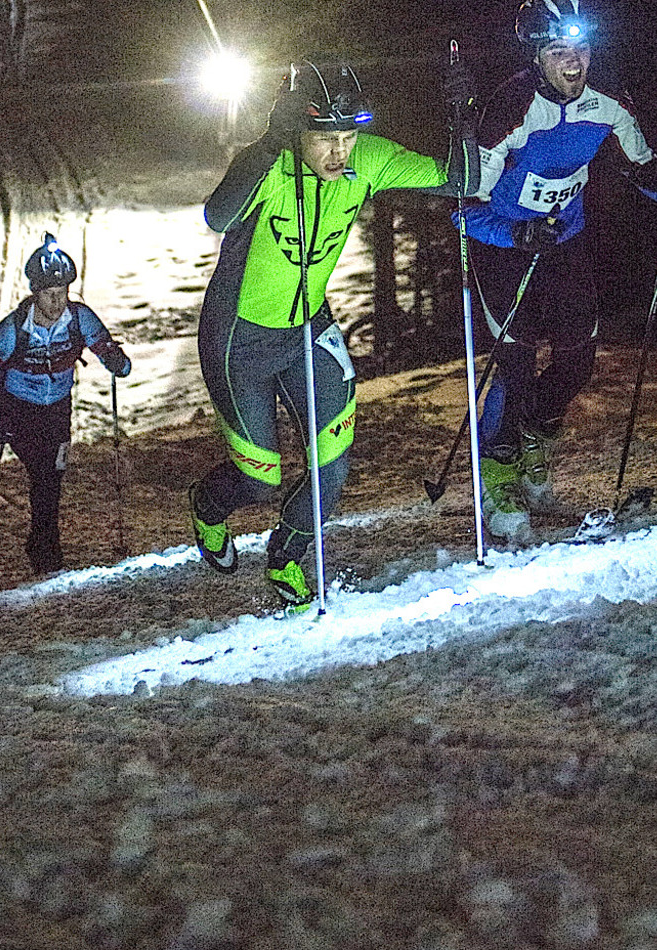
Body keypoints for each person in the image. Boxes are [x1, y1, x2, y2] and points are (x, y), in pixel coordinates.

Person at [189, 57, 477, 611]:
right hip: (237, 339)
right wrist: (271, 140)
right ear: (299, 132)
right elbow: (218, 216)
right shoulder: (271, 167)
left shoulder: (365, 162)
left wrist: (460, 117)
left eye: (349, 137)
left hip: (307, 327)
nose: (340, 153)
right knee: (261, 481)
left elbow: (463, 180)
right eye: (326, 140)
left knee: (334, 460)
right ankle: (208, 503)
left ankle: (288, 557)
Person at [465, 0, 657, 539]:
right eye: (560, 51)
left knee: (577, 361)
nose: (575, 62)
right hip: (503, 248)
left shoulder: (608, 101)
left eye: (583, 49)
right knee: (515, 365)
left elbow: (641, 167)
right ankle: (494, 476)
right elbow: (462, 204)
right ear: (536, 56)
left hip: (565, 242)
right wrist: (514, 232)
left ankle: (532, 450)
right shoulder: (508, 110)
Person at [0, 233, 132, 575]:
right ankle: (46, 552)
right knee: (44, 474)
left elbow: (117, 361)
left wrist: (117, 360)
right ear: (34, 292)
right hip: (18, 409)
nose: (58, 303)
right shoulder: (9, 331)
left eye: (63, 294)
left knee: (52, 475)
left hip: (57, 409)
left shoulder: (80, 319)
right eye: (50, 295)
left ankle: (41, 545)